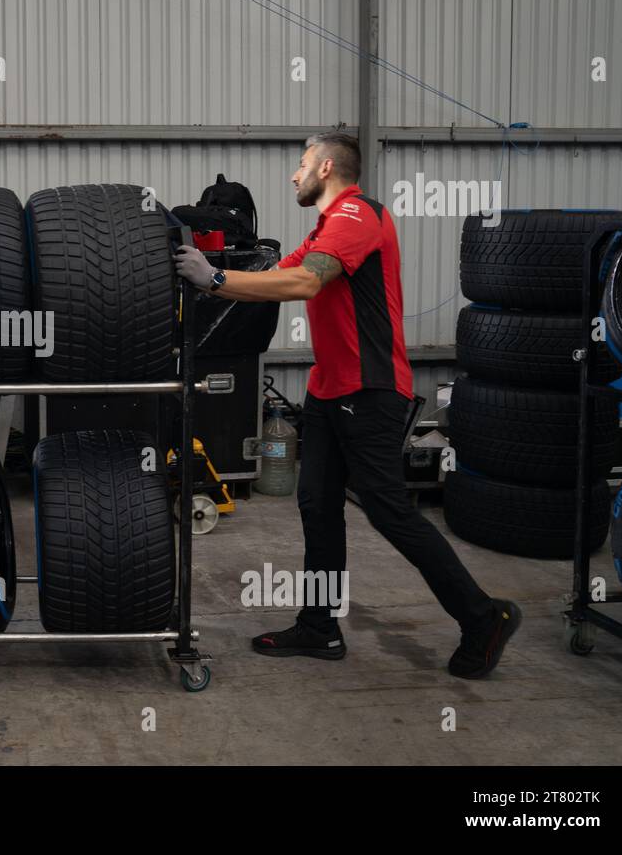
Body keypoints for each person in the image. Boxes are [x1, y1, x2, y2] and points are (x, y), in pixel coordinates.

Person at [173, 132, 520, 679]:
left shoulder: (358, 216)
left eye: (301, 164)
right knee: (316, 505)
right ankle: (319, 624)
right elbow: (269, 281)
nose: (293, 175)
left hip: (371, 390)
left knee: (388, 511)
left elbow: (306, 282)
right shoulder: (325, 228)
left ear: (327, 166)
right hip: (330, 391)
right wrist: (208, 271)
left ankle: (484, 615)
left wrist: (213, 278)